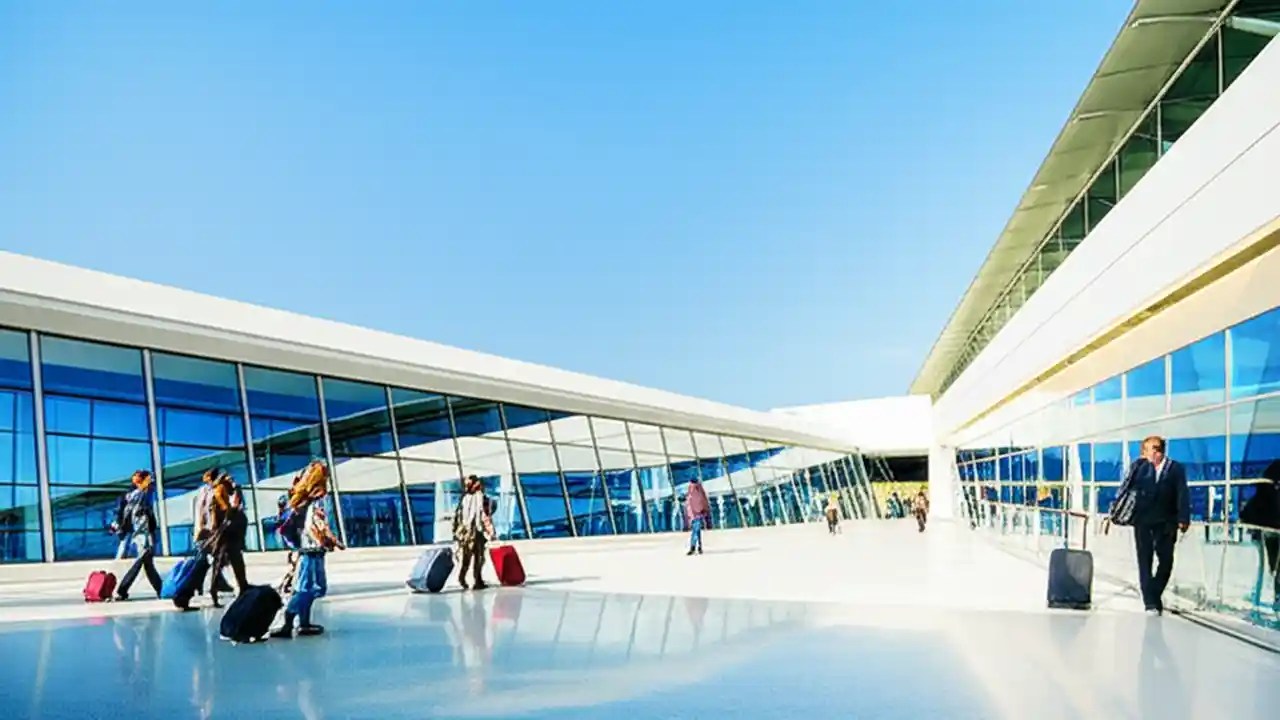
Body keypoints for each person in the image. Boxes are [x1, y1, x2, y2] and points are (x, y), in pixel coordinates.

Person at [273, 461, 344, 638]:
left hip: (306, 549)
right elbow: (317, 524)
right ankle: (288, 621)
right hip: (312, 549)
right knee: (309, 587)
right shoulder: (319, 497)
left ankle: (303, 623)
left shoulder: (305, 497)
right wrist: (331, 541)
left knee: (308, 587)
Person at [1122, 436, 1190, 616]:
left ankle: (1154, 591)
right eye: (1144, 451)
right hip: (1143, 521)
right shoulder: (1139, 468)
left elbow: (1182, 493)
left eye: (1149, 450)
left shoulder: (1174, 469)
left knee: (1166, 560)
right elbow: (1127, 490)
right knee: (1144, 560)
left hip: (1166, 521)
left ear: (1159, 450)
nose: (1146, 454)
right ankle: (1150, 602)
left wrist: (1183, 518)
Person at [112, 470, 163, 601]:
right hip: (137, 532)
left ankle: (123, 590)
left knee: (143, 562)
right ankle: (160, 589)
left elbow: (146, 488)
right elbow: (124, 509)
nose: (133, 478)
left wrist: (148, 478)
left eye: (135, 476)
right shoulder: (132, 493)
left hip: (145, 532)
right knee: (147, 564)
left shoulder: (146, 492)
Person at [207, 471, 250, 607]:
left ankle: (243, 586)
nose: (232, 483)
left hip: (229, 536)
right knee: (221, 563)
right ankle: (215, 590)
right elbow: (227, 514)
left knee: (233, 562)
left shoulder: (222, 495)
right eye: (229, 480)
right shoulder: (219, 495)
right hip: (226, 536)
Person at [1240, 460, 1280, 604]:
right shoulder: (1273, 473)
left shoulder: (1271, 473)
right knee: (1274, 566)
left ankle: (1276, 596)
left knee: (1273, 566)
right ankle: (1277, 597)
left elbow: (1248, 511)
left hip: (1269, 529)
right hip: (1270, 530)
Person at [453, 476, 493, 590]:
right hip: (468, 532)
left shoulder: (481, 498)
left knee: (479, 557)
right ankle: (462, 578)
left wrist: (489, 530)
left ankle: (478, 580)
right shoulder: (465, 499)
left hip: (478, 532)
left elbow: (485, 514)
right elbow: (458, 516)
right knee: (467, 558)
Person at [684, 479, 711, 556]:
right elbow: (703, 501)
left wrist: (690, 515)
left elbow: (691, 504)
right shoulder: (698, 490)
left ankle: (694, 547)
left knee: (696, 530)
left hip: (695, 514)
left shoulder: (693, 491)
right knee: (697, 530)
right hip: (698, 514)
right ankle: (698, 547)